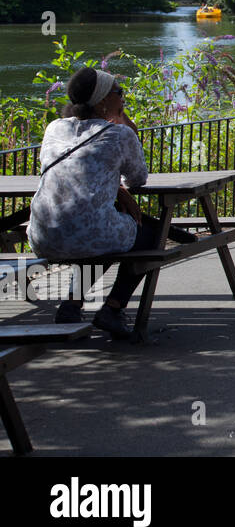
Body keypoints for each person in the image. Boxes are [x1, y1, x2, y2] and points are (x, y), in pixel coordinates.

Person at [26, 69, 192, 338]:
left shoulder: (54, 128)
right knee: (150, 236)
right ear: (103, 100)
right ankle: (112, 310)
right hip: (88, 234)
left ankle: (71, 305)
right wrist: (122, 120)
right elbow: (137, 179)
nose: (124, 97)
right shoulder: (118, 134)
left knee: (100, 229)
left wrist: (116, 189)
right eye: (119, 92)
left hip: (43, 235)